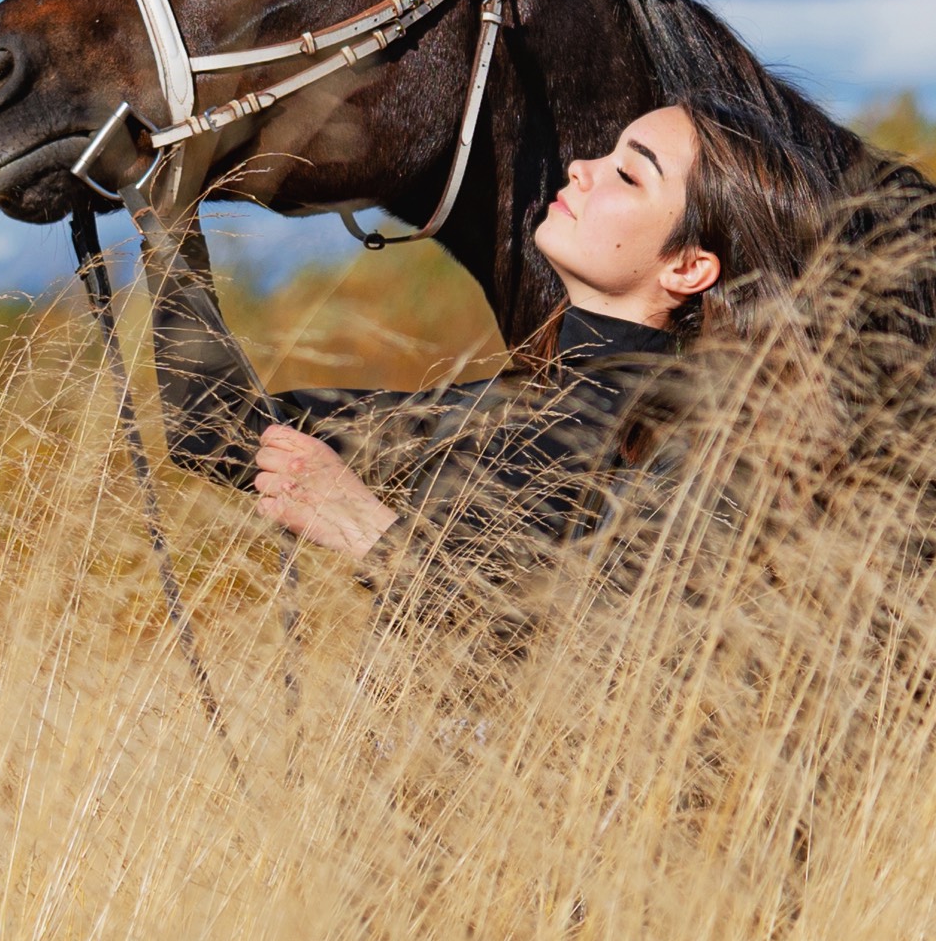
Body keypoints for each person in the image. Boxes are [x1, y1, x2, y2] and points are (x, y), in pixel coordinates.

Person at [143, 98, 826, 628]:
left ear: (688, 266)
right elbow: (219, 431)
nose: (581, 168)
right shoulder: (497, 408)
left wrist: (370, 532)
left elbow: (602, 663)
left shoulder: (704, 447)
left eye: (627, 172)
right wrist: (162, 210)